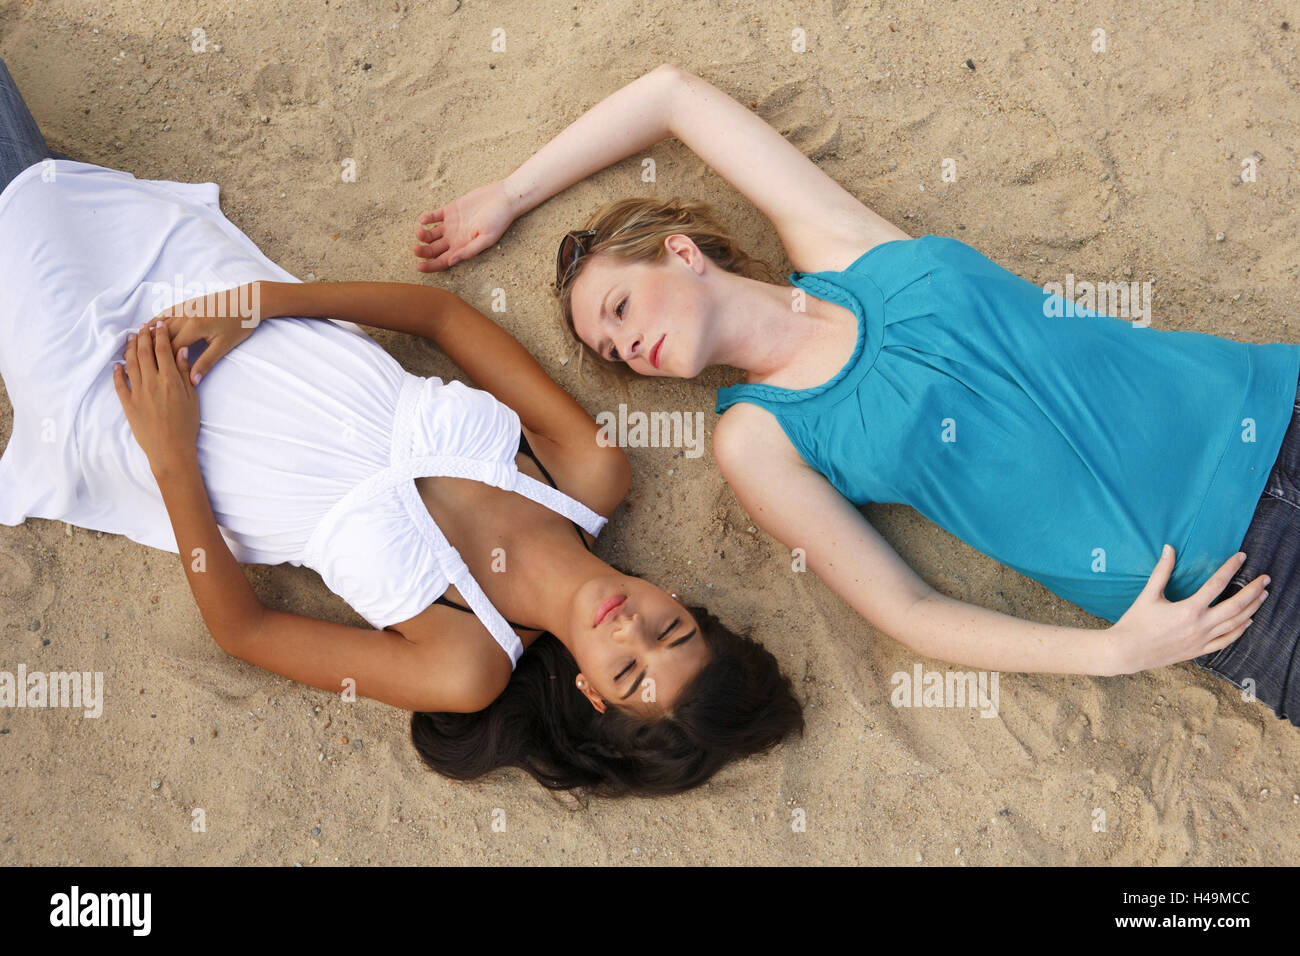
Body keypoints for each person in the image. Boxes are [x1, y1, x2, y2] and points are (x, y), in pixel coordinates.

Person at [0, 57, 803, 797]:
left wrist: (170, 453)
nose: (630, 627)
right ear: (677, 599)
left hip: (128, 411)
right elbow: (441, 319)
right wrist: (260, 303)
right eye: (670, 628)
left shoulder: (468, 664)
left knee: (25, 211)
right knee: (41, 193)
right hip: (222, 300)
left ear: (591, 691)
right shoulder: (590, 472)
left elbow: (244, 630)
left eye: (629, 670)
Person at [413, 63, 1299, 725]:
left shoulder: (840, 244)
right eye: (612, 349)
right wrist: (1111, 654)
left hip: (1270, 401)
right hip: (1231, 581)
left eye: (618, 306)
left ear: (680, 252)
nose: (627, 345)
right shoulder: (757, 440)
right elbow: (908, 610)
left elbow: (672, 95)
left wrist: (511, 192)